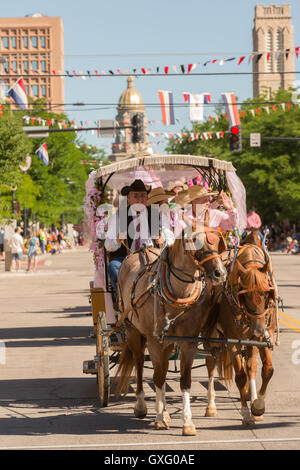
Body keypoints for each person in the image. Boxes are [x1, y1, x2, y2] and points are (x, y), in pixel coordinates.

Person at [104, 179, 152, 296]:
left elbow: (168, 238)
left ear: (147, 199)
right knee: (114, 266)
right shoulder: (120, 216)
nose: (140, 200)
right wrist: (117, 239)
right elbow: (108, 245)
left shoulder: (154, 214)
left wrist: (162, 239)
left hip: (152, 256)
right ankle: (122, 299)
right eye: (136, 196)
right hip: (126, 257)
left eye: (143, 196)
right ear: (129, 199)